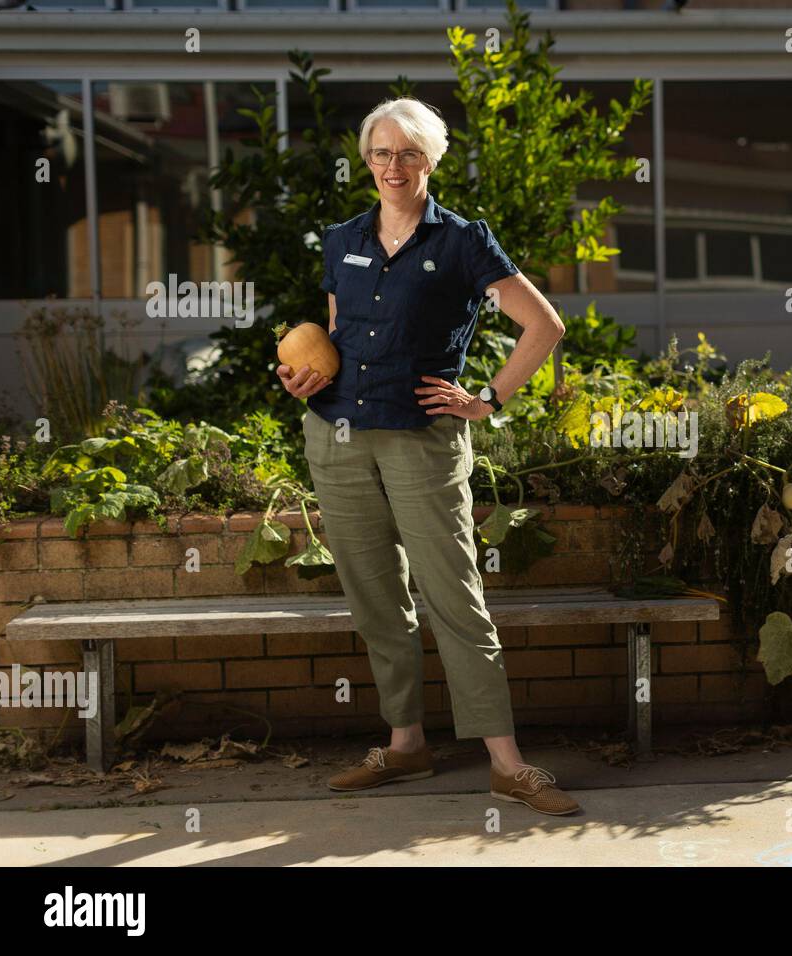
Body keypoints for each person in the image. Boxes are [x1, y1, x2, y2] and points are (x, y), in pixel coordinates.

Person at [277, 97, 579, 816]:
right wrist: (301, 378)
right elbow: (335, 334)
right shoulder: (341, 239)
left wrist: (488, 399)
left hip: (423, 438)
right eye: (381, 153)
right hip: (338, 437)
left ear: (431, 161)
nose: (392, 166)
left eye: (408, 153)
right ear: (367, 160)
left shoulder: (464, 242)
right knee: (378, 597)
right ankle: (405, 743)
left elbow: (544, 324)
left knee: (453, 598)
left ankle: (507, 764)